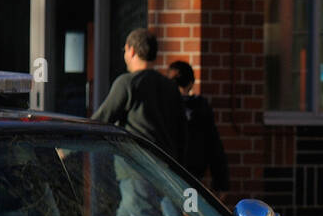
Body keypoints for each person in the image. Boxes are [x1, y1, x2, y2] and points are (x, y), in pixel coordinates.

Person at [91, 28, 186, 161]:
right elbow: (182, 133)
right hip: (167, 172)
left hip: (137, 169)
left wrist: (68, 146)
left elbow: (101, 121)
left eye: (125, 50)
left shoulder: (127, 83)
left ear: (132, 50)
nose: (125, 55)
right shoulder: (171, 86)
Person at [167, 60, 230, 195]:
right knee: (190, 214)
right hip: (192, 179)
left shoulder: (164, 106)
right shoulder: (200, 108)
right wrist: (221, 183)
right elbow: (214, 146)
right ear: (191, 83)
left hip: (166, 176)